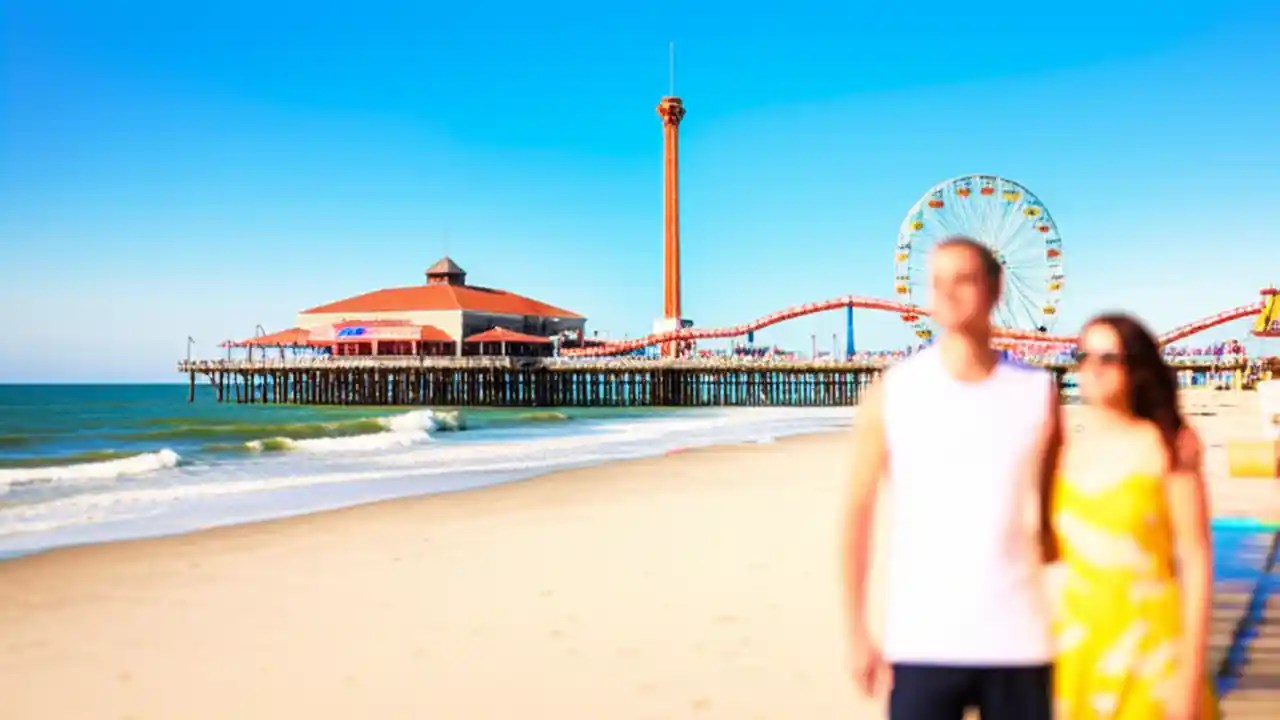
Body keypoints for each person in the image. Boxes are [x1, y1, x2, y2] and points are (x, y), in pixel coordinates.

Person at [843, 236, 1062, 719]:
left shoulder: (1038, 393)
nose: (946, 292)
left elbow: (1053, 522)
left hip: (1018, 639)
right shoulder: (893, 392)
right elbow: (856, 515)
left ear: (995, 288)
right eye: (937, 281)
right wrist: (857, 630)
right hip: (922, 638)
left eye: (962, 279)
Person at [1053, 314, 1216, 718]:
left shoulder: (1168, 445)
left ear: (1136, 367)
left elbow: (1195, 561)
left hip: (1151, 652)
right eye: (1083, 355)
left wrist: (1190, 673)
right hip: (1077, 651)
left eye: (1108, 357)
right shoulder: (1066, 451)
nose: (1092, 367)